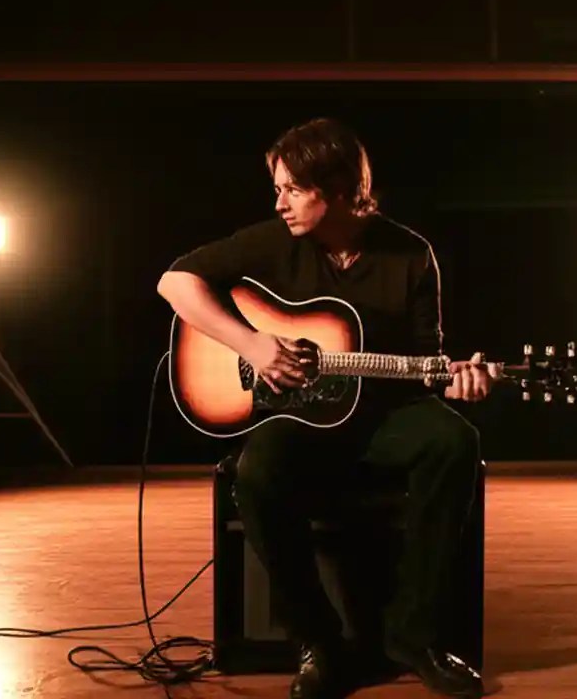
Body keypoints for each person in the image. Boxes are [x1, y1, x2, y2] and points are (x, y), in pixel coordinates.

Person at [157, 117, 491, 699]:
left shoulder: (410, 254)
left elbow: (424, 364)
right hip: (299, 421)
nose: (278, 201)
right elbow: (175, 283)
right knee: (255, 473)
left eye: (291, 188)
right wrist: (255, 345)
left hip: (383, 416)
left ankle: (414, 637)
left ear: (335, 190)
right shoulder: (273, 241)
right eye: (278, 187)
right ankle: (318, 642)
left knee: (454, 439)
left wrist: (460, 378)